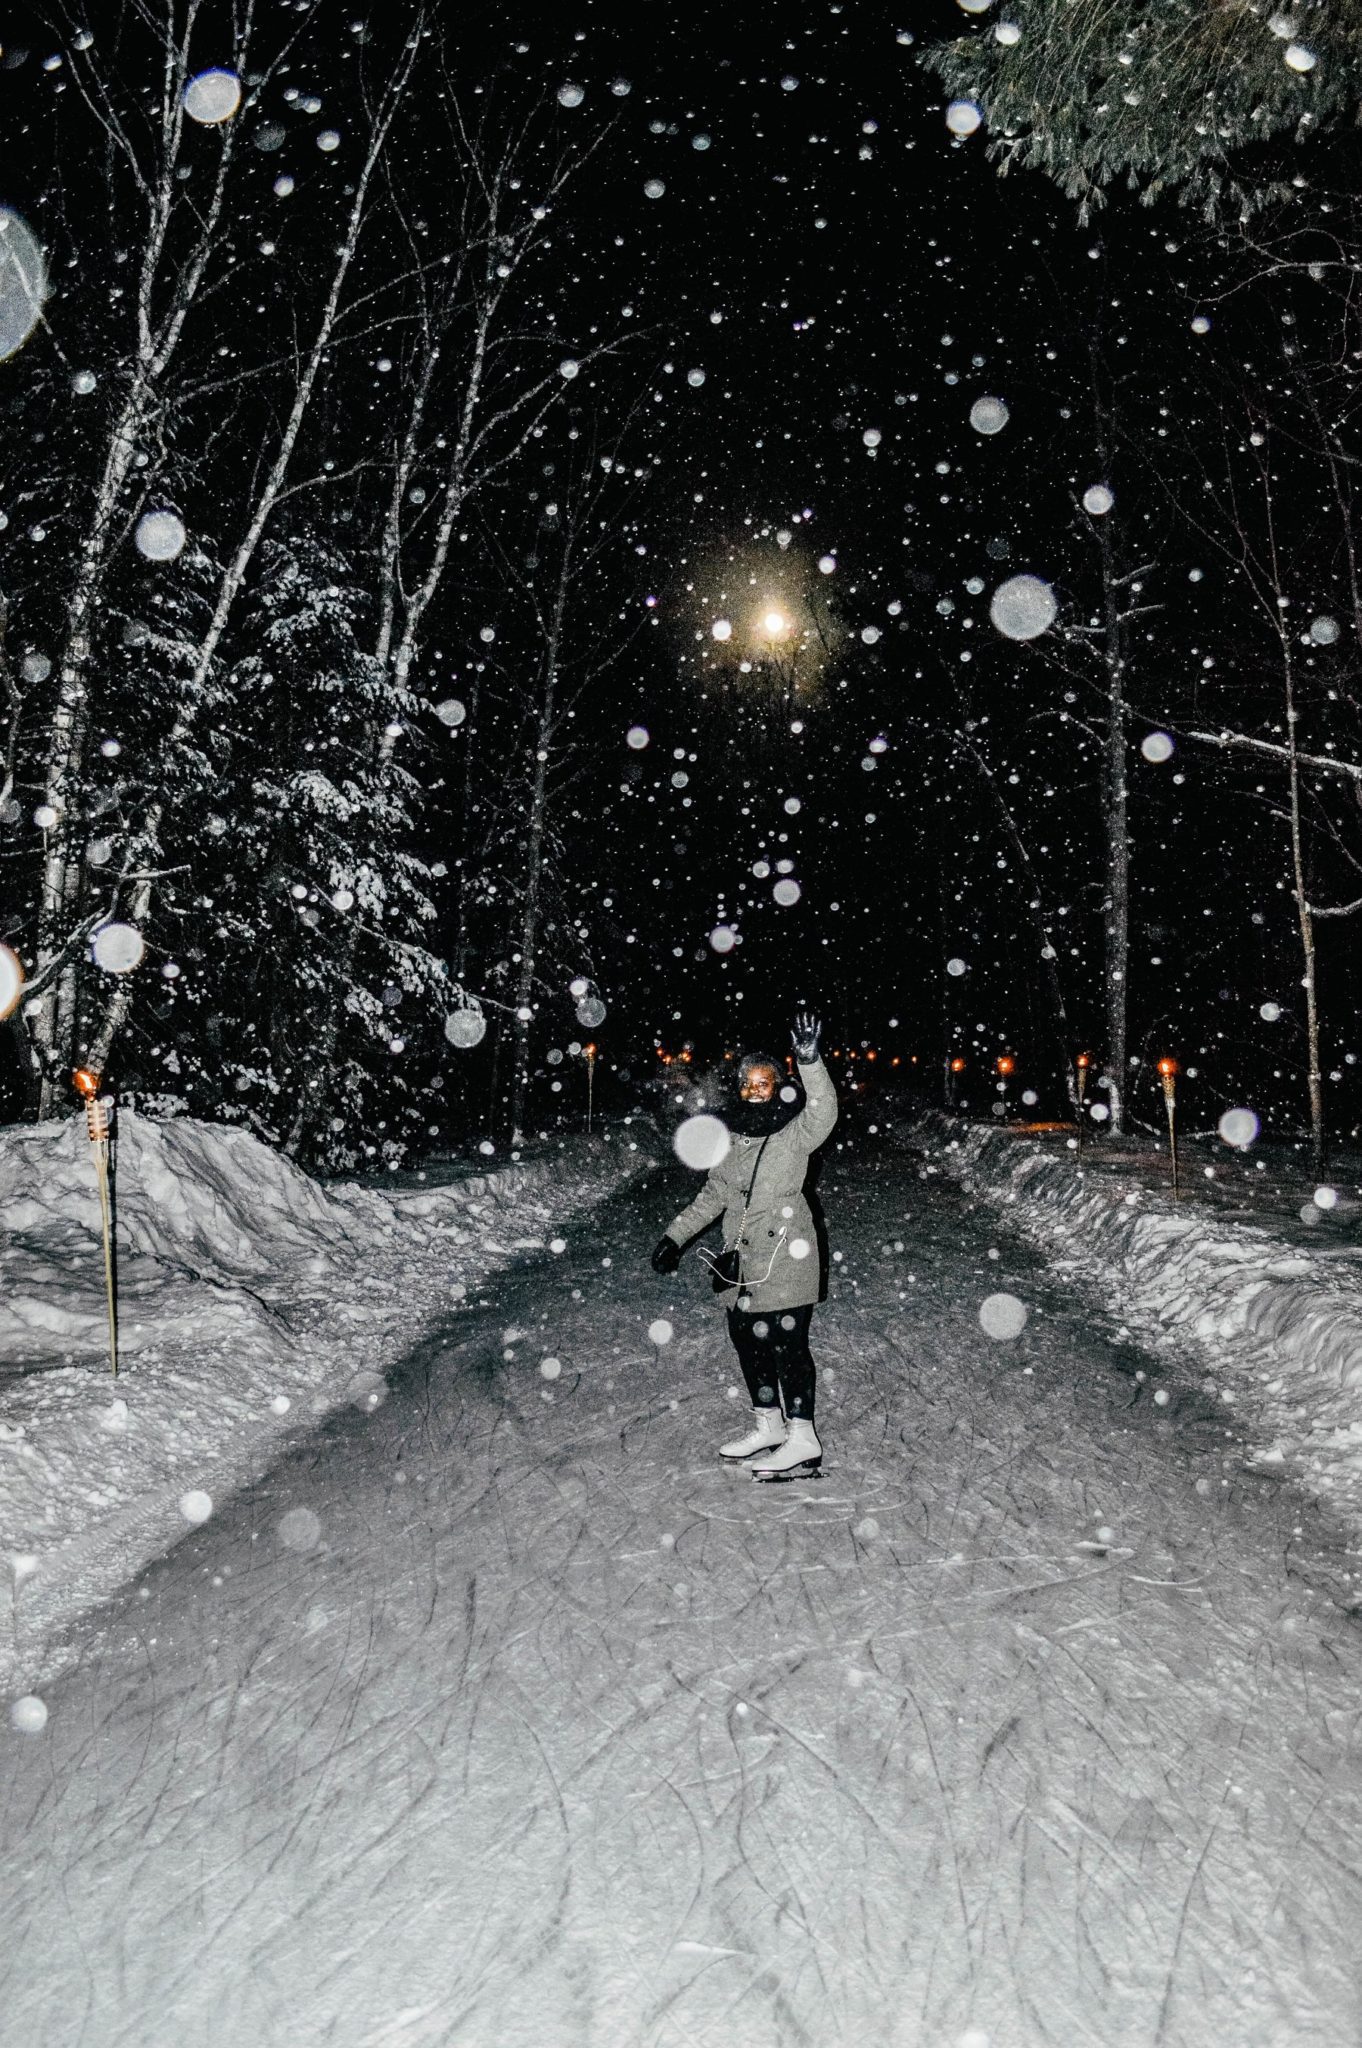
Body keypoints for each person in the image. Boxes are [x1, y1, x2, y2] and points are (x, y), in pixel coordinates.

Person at [650, 1008, 838, 1478]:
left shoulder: (795, 1132)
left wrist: (810, 1062)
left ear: (778, 1085)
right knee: (747, 1339)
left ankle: (803, 1438)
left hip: (786, 1255)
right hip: (740, 1258)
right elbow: (714, 1193)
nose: (756, 1090)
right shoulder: (733, 1137)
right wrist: (675, 1237)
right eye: (748, 1083)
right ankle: (769, 1425)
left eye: (765, 1082)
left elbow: (825, 1110)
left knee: (788, 1344)